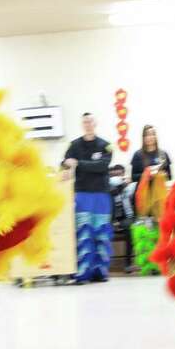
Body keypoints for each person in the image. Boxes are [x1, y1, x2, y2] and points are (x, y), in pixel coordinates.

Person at [63, 112, 113, 283]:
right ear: (82, 124)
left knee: (102, 233)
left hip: (101, 194)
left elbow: (102, 166)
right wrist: (66, 166)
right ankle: (83, 271)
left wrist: (79, 164)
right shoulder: (74, 145)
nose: (88, 124)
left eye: (90, 121)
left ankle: (101, 272)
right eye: (85, 122)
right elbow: (65, 162)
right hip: (82, 194)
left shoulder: (105, 145)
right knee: (84, 233)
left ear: (95, 123)